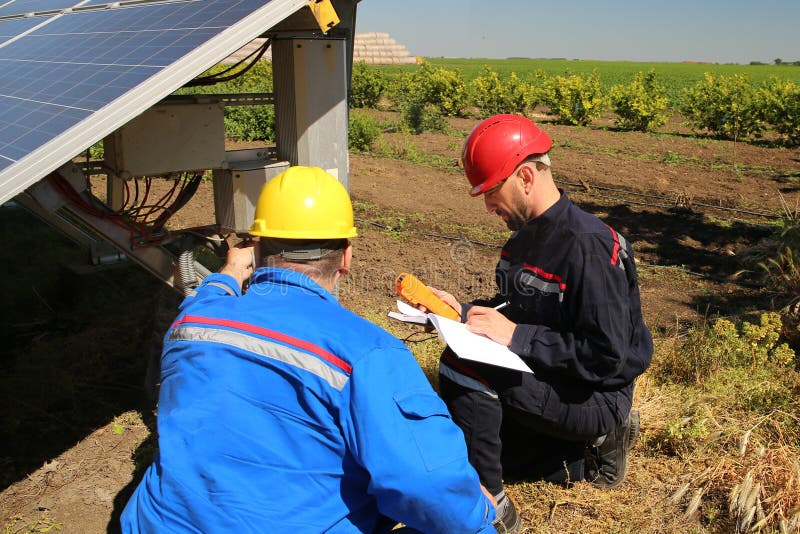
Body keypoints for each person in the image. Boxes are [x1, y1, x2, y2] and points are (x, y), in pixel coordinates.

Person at [120, 166, 499, 533]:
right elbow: (426, 486)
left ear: (256, 248)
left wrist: (232, 270)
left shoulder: (192, 323)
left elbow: (208, 296)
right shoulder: (367, 353)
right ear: (346, 257)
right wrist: (480, 511)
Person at [426, 114, 653, 520]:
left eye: (491, 191)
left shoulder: (589, 248)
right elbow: (512, 310)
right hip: (552, 378)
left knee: (462, 366)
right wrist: (457, 311)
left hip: (595, 394)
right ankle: (583, 453)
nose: (488, 206)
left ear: (526, 177)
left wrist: (517, 337)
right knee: (486, 447)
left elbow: (605, 356)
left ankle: (490, 507)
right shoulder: (522, 241)